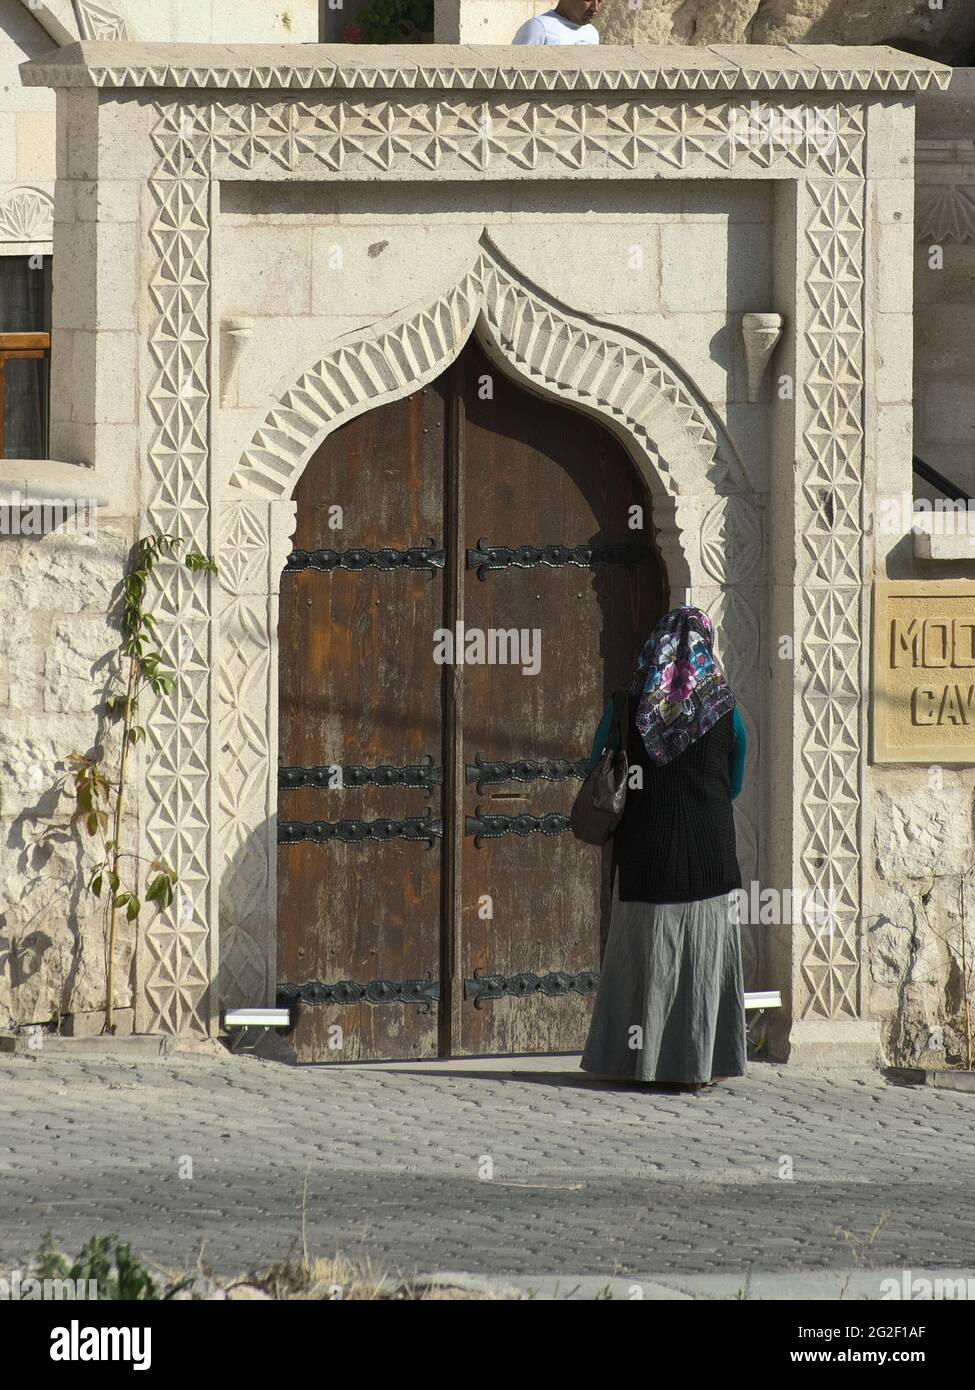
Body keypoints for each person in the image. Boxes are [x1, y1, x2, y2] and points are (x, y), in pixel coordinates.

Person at [580, 605, 748, 1094]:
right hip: (709, 858)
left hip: (644, 856)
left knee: (644, 960)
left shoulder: (626, 707)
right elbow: (734, 782)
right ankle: (702, 1064)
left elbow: (597, 766)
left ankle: (637, 1060)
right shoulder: (725, 710)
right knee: (703, 963)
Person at [512, 1, 602, 46]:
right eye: (587, 0)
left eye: (599, 0)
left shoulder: (592, 33)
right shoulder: (538, 28)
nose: (595, 8)